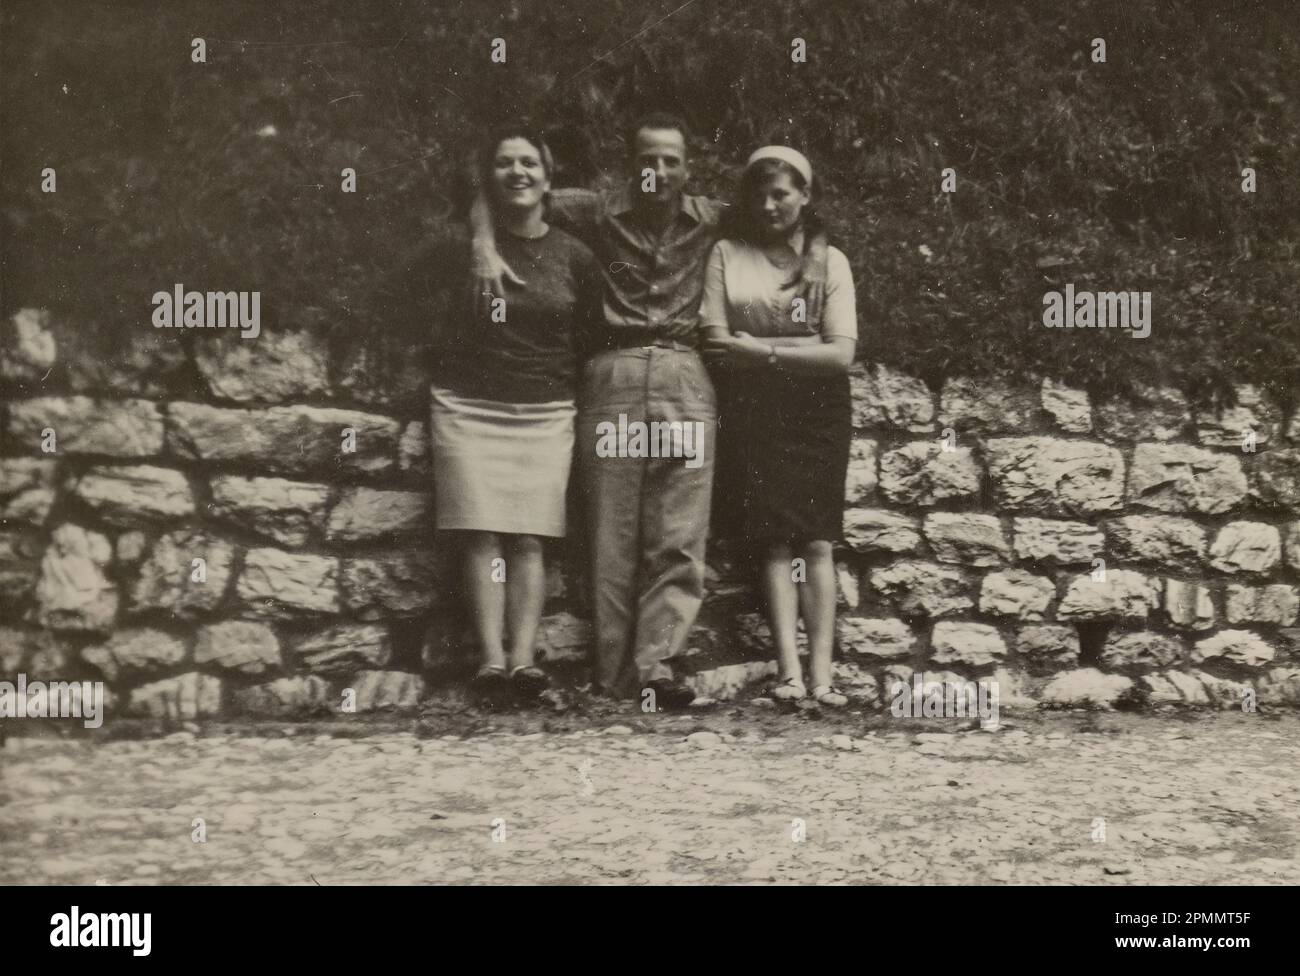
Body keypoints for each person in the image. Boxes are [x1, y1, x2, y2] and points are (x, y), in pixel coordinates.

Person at [471, 113, 828, 709]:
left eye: (669, 161)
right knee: (611, 533)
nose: (656, 171)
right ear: (629, 163)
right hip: (611, 374)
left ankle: (657, 669)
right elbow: (498, 189)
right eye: (646, 158)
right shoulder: (591, 211)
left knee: (679, 534)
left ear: (687, 170)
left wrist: (815, 253)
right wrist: (483, 240)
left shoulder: (716, 216)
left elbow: (793, 207)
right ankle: (612, 679)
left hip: (685, 375)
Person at [429, 124, 601, 700]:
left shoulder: (575, 255)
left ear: (549, 180)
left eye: (529, 163)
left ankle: (525, 662)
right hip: (468, 406)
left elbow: (592, 331)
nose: (518, 173)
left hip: (545, 410)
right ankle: (491, 662)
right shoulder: (460, 248)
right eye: (504, 164)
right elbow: (402, 298)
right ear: (488, 179)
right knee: (481, 534)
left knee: (530, 537)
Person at [701, 146, 858, 707]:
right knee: (771, 540)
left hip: (817, 409)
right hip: (753, 409)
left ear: (804, 197)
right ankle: (789, 674)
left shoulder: (829, 261)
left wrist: (763, 351)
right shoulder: (726, 252)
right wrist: (790, 349)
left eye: (782, 194)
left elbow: (840, 354)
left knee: (816, 540)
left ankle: (823, 677)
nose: (769, 205)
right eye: (760, 195)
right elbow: (717, 340)